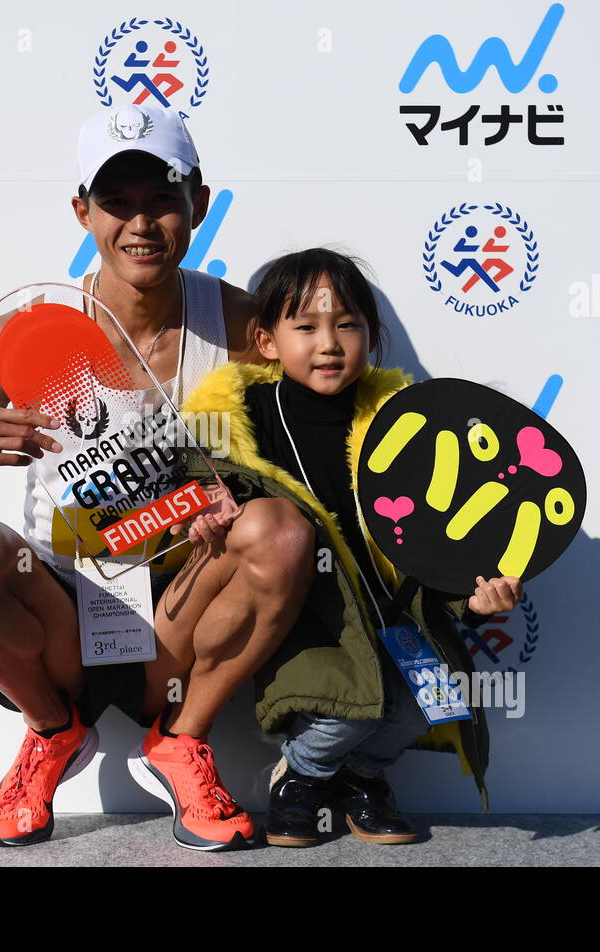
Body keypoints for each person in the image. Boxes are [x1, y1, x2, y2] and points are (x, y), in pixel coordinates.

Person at [0, 103, 317, 851]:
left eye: (162, 200)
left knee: (281, 533)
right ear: (82, 212)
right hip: (60, 619)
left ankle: (181, 740)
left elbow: (313, 455)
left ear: (199, 204)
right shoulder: (22, 332)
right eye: (116, 202)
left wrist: (239, 493)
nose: (141, 224)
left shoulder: (241, 326)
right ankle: (51, 730)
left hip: (179, 613)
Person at [177, 248, 522, 848]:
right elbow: (200, 488)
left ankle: (363, 776)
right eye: (306, 327)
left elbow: (442, 532)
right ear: (266, 341)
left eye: (346, 325)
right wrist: (204, 513)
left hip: (395, 615)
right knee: (344, 703)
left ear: (371, 335)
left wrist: (474, 599)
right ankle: (302, 777)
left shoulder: (406, 423)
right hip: (310, 618)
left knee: (433, 701)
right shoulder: (237, 420)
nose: (329, 344)